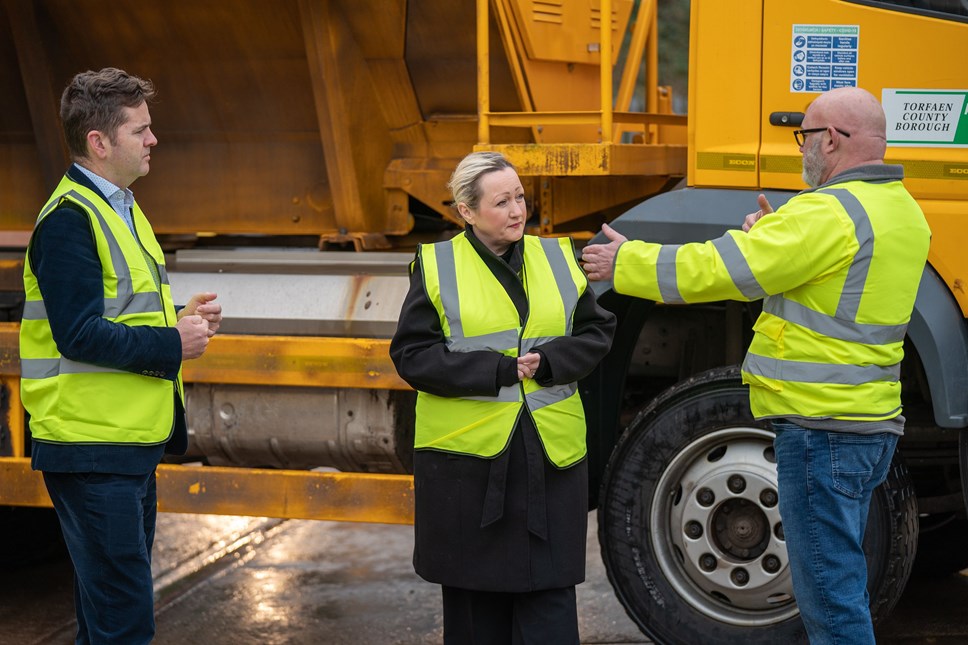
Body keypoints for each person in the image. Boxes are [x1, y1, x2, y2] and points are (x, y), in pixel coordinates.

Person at [581, 86, 930, 644]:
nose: (802, 151)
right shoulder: (901, 211)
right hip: (867, 424)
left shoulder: (827, 212)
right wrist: (772, 237)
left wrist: (628, 262)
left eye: (806, 137)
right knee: (842, 582)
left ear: (833, 140)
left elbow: (723, 270)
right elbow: (823, 281)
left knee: (829, 602)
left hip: (821, 430)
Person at [19, 67, 222, 644]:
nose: (153, 139)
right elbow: (78, 333)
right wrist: (171, 344)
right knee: (123, 622)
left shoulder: (121, 208)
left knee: (110, 616)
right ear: (99, 143)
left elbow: (118, 313)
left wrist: (183, 319)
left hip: (123, 443)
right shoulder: (69, 221)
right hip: (91, 446)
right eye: (141, 130)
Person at [390, 151, 615, 644]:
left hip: (548, 465)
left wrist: (552, 362)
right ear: (466, 212)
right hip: (467, 470)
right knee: (476, 617)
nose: (518, 211)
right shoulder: (436, 265)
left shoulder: (555, 257)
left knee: (550, 609)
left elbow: (597, 332)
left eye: (520, 198)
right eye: (502, 202)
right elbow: (412, 355)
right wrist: (494, 370)